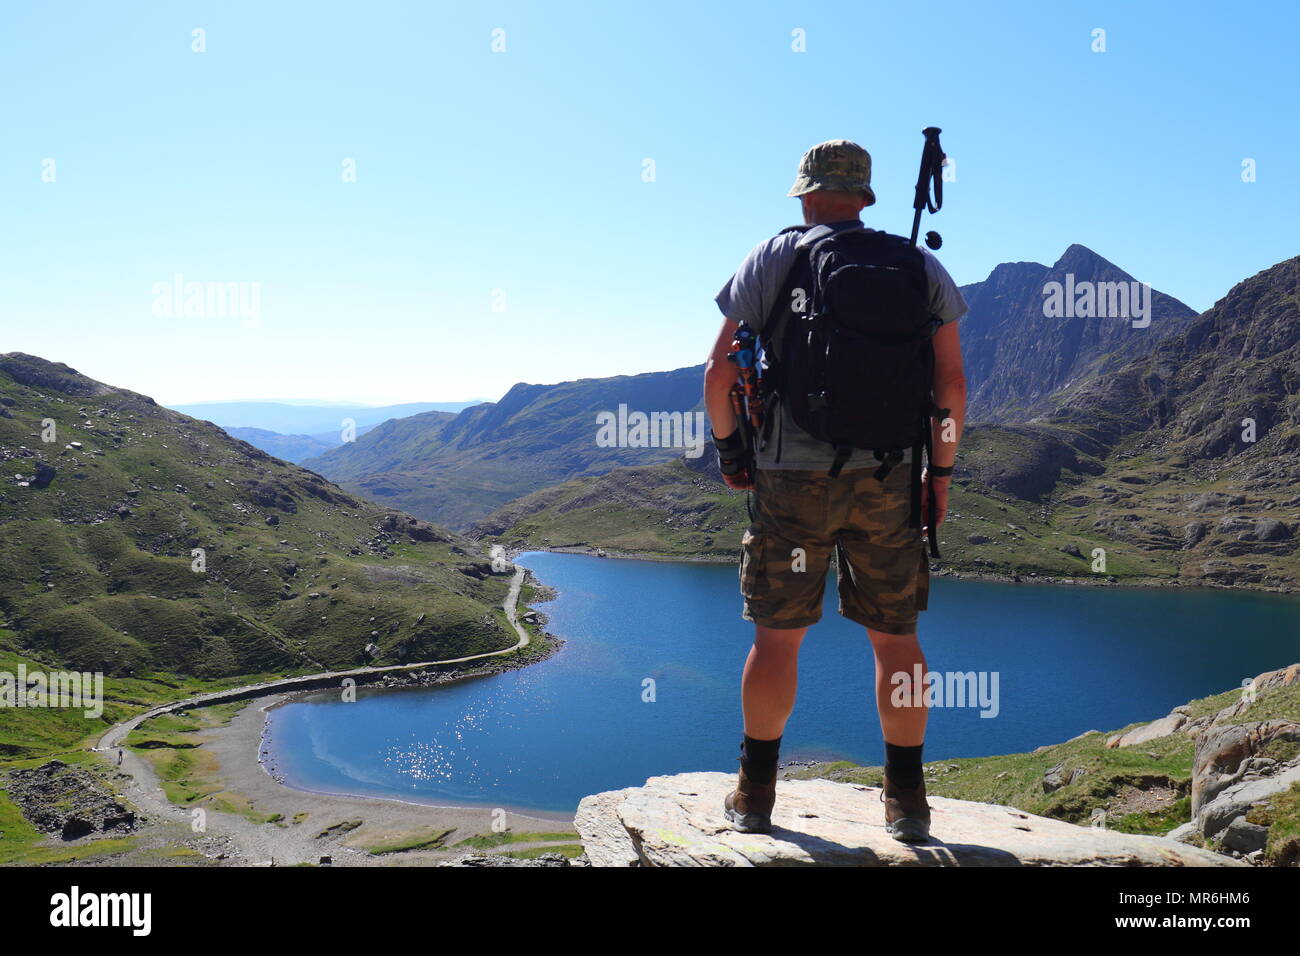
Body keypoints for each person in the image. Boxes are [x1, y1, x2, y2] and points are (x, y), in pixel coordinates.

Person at [703, 139, 968, 842]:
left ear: (807, 193)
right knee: (897, 641)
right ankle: (907, 805)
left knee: (778, 640)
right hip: (888, 480)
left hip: (791, 481)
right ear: (866, 196)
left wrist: (734, 455)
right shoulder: (917, 265)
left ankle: (755, 797)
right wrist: (937, 477)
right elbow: (952, 388)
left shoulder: (773, 257)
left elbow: (718, 376)